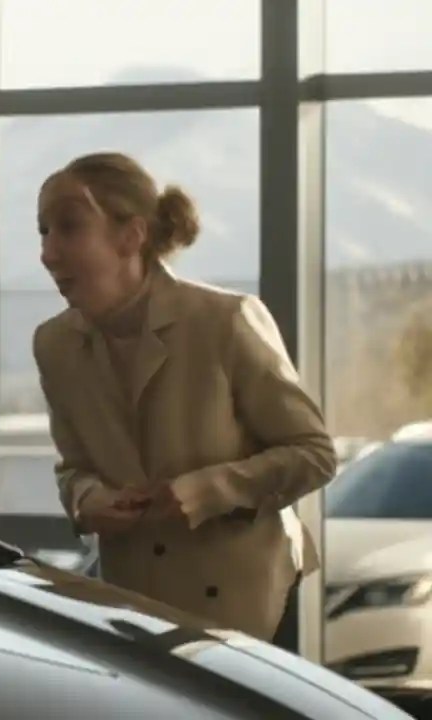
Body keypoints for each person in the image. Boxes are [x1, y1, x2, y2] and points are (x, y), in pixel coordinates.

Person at [31, 152, 337, 644]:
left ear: (131, 236)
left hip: (250, 605)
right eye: (43, 231)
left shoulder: (227, 320)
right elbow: (74, 467)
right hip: (131, 607)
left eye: (68, 227)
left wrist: (206, 491)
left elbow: (314, 455)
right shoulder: (54, 345)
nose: (48, 252)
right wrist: (87, 500)